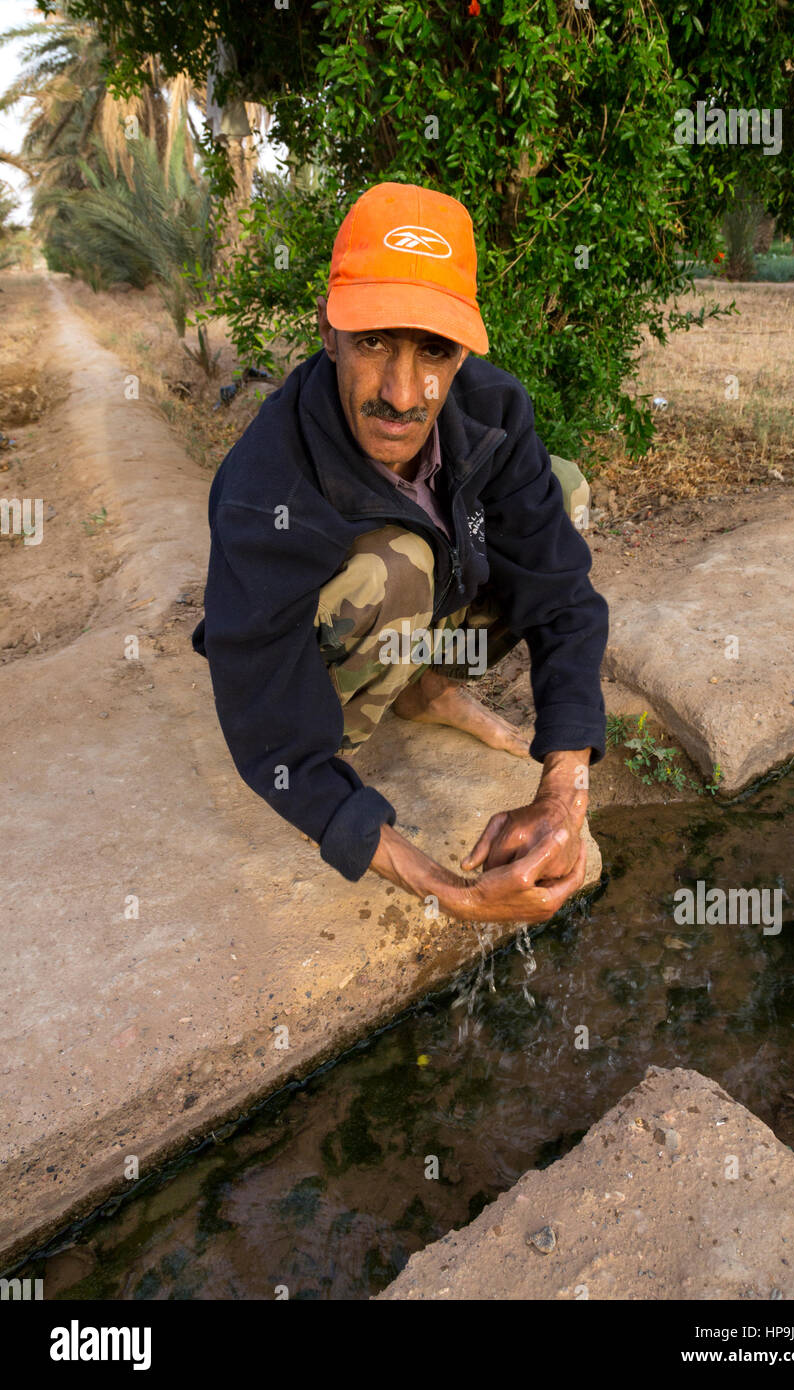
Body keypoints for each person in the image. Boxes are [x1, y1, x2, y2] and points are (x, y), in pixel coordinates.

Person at [192, 181, 608, 924]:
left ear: (460, 354)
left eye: (434, 351)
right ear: (328, 331)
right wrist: (449, 889)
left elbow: (564, 596)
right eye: (374, 340)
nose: (402, 392)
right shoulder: (266, 488)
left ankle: (426, 688)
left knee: (565, 491)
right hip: (325, 677)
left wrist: (562, 791)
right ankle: (358, 727)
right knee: (398, 566)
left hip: (427, 617)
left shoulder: (492, 411)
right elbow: (269, 737)